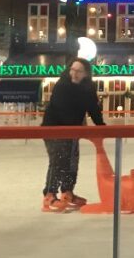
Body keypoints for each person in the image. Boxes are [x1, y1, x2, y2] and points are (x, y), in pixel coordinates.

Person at [41, 58, 103, 212]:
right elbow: (62, 110)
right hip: (54, 129)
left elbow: (93, 109)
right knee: (58, 161)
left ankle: (67, 192)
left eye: (78, 71)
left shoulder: (88, 88)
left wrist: (101, 126)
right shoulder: (62, 85)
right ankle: (49, 195)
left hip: (73, 130)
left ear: (86, 74)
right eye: (72, 70)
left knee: (72, 162)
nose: (74, 74)